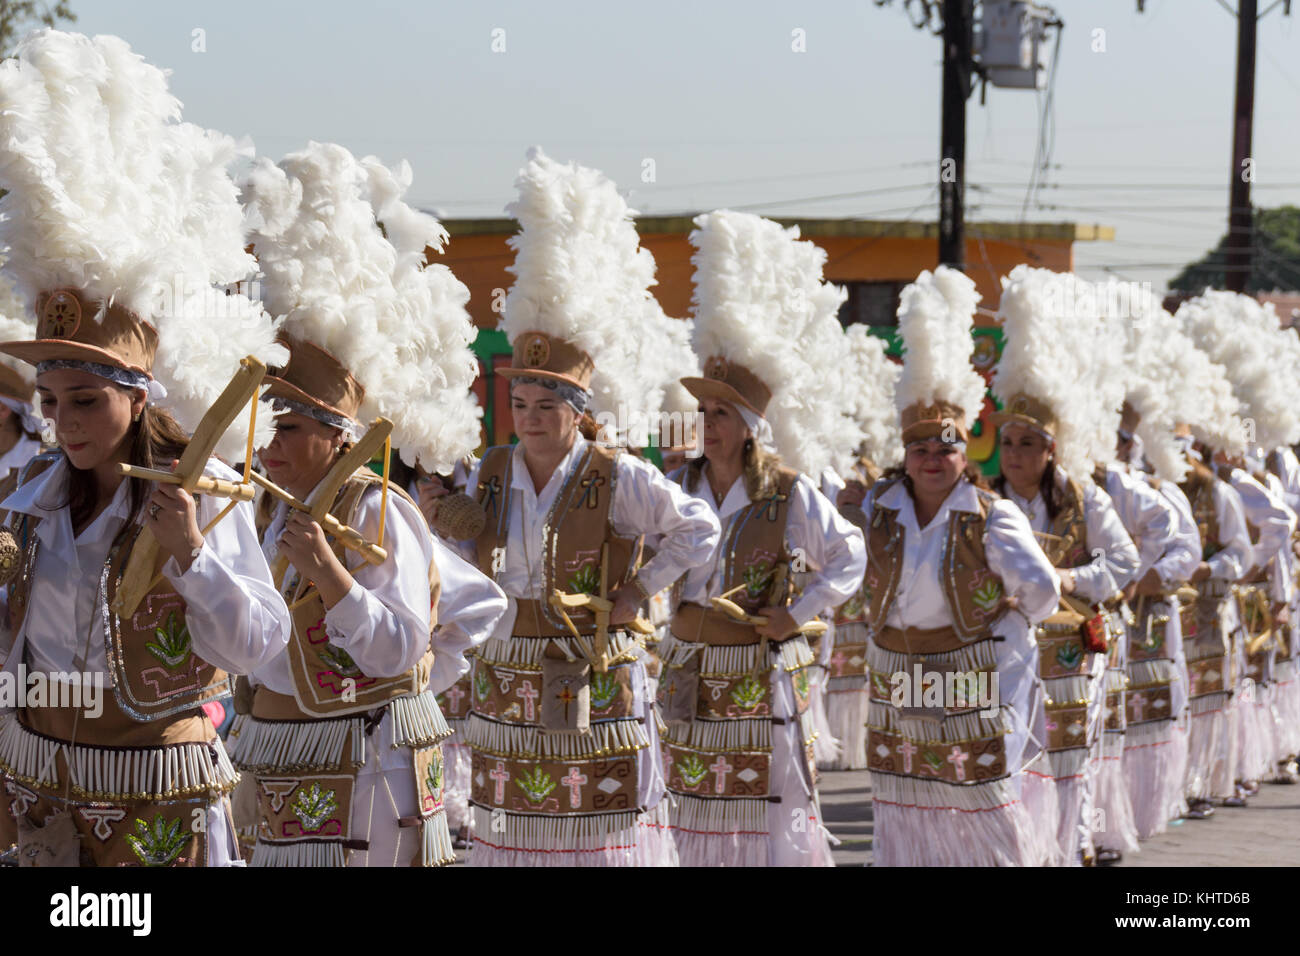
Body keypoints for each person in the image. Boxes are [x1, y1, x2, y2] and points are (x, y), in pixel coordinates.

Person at [0, 30, 291, 866]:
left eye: (85, 402)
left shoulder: (198, 494)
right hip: (40, 787)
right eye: (51, 403)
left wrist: (191, 555)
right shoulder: (24, 496)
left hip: (156, 797)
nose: (65, 423)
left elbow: (259, 650)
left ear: (141, 395)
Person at [228, 141, 496, 866]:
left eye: (284, 428)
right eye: (264, 428)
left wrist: (334, 579)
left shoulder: (376, 509)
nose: (267, 446)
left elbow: (410, 641)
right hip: (283, 752)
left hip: (366, 758)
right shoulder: (269, 508)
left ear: (335, 435)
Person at [457, 149, 719, 866]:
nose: (530, 417)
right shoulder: (492, 468)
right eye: (520, 403)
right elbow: (468, 557)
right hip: (508, 665)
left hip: (590, 662)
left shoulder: (616, 473)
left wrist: (638, 588)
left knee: (595, 825)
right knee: (515, 824)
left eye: (546, 405)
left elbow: (699, 526)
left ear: (577, 411)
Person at [659, 210, 865, 866]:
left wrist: (796, 614)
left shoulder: (788, 491)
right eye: (703, 412)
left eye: (721, 414)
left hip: (754, 664)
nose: (708, 424)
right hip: (686, 661)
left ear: (749, 426)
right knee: (689, 796)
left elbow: (848, 555)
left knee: (764, 798)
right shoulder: (675, 482)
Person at [859, 266, 1059, 866]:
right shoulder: (879, 507)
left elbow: (1042, 589)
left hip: (970, 665)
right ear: (906, 456)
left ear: (962, 451)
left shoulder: (990, 516)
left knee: (975, 791)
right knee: (908, 793)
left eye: (944, 449)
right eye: (919, 450)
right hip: (897, 664)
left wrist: (1002, 628)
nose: (932, 460)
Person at [991, 266, 1141, 866]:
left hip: (1071, 644)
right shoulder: (984, 498)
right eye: (1008, 442)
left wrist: (1071, 580)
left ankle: (1073, 841)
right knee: (1011, 747)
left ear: (1050, 449)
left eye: (1028, 443)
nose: (1015, 453)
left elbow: (1124, 560)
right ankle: (1025, 843)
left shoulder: (1084, 499)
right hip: (1004, 642)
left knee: (1069, 747)